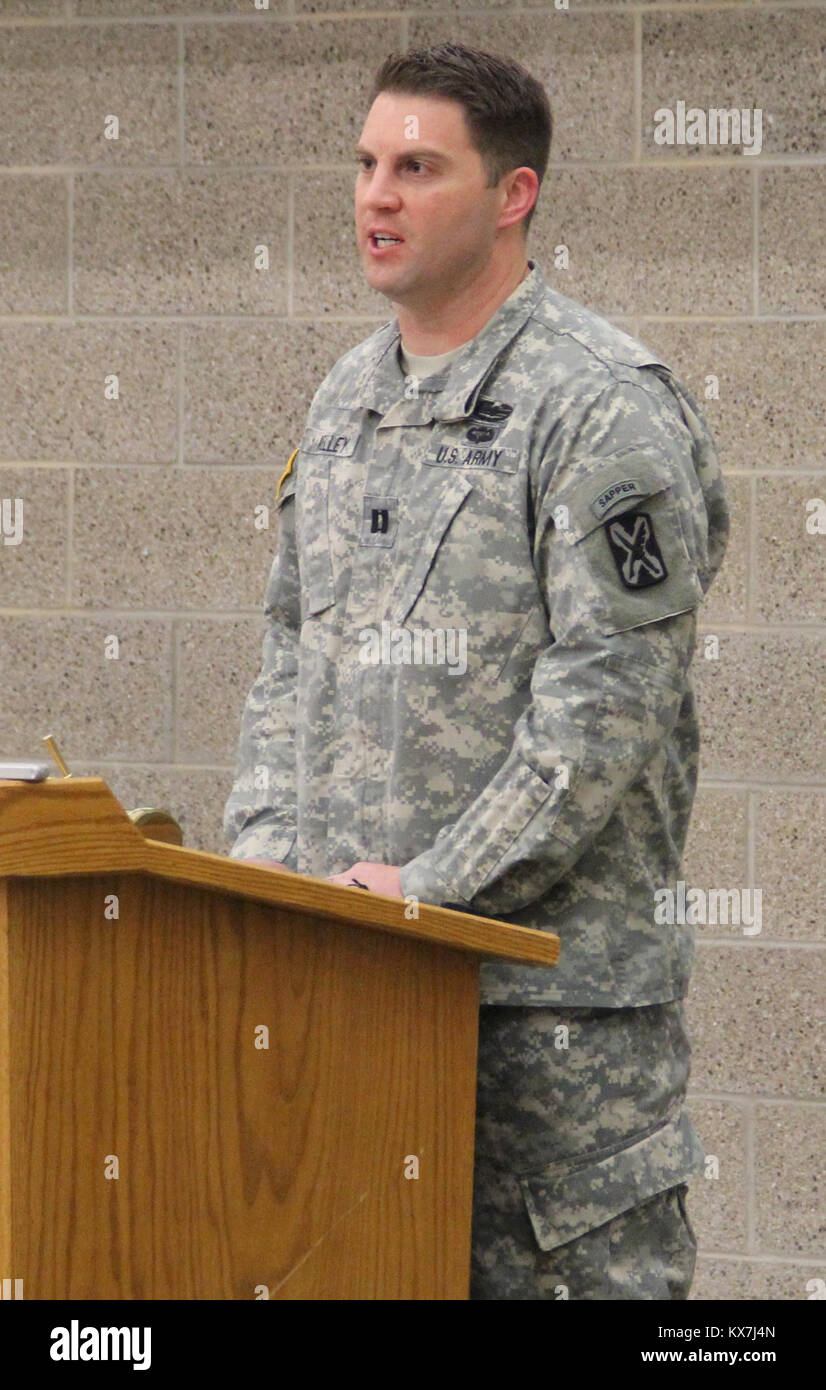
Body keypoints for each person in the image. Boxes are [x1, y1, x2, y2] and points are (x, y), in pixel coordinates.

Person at [223, 42, 729, 1299]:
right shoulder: (345, 401)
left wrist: (431, 889)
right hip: (355, 1001)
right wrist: (266, 872)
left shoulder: (600, 407)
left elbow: (601, 714)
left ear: (513, 196)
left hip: (546, 1035)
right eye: (364, 165)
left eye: (416, 168)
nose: (374, 197)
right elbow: (290, 657)